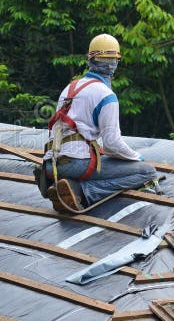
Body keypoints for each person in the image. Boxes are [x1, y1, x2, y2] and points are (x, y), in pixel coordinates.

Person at [41, 34, 157, 212]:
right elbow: (112, 144)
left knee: (99, 160)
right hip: (76, 165)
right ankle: (82, 191)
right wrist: (137, 158)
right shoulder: (106, 96)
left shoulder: (70, 88)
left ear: (90, 60)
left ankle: (66, 184)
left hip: (51, 165)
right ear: (115, 63)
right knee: (146, 172)